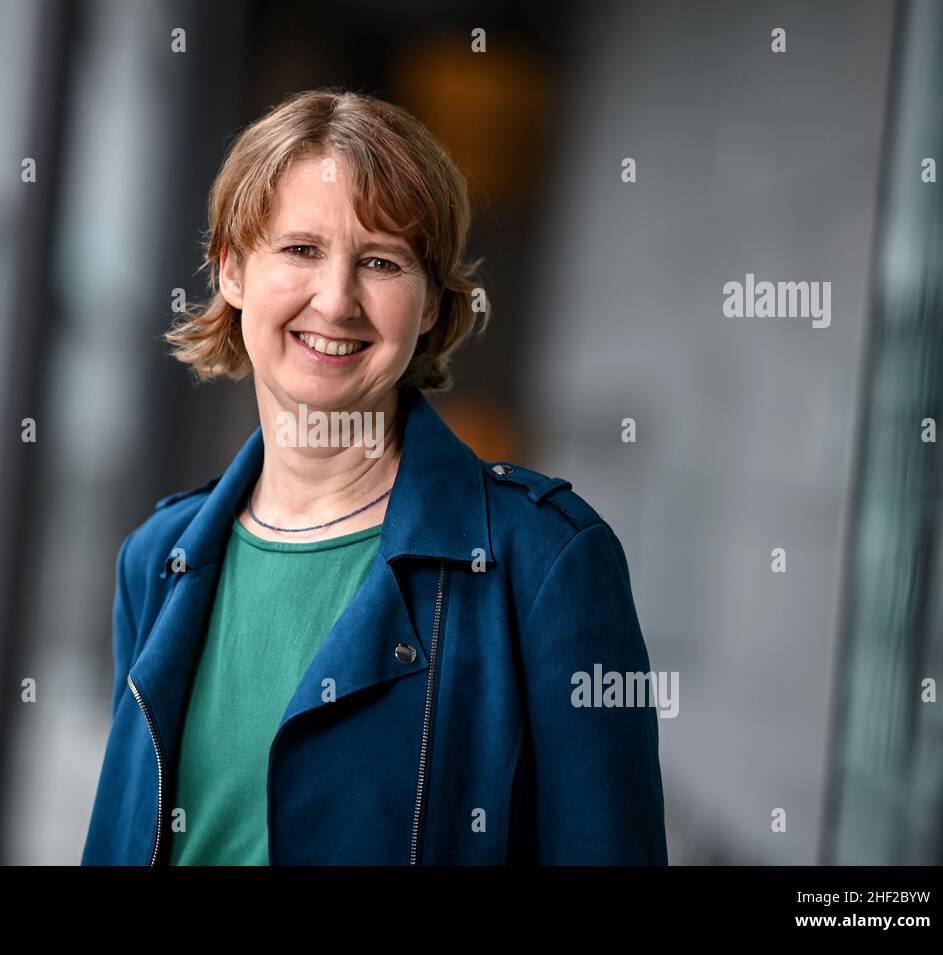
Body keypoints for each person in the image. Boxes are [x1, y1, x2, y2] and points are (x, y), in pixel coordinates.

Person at [81, 88, 668, 865]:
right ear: (230, 270)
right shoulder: (157, 558)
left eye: (382, 261)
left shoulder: (546, 563)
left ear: (429, 305)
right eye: (299, 250)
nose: (336, 299)